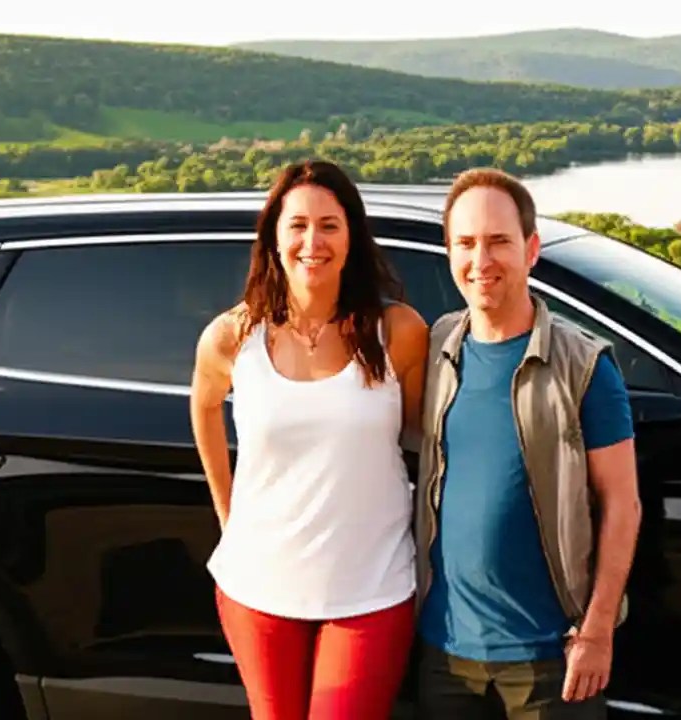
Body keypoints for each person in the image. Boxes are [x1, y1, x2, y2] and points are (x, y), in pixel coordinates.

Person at [189, 159, 429, 720]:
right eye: (297, 224)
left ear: (351, 238)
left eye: (329, 225)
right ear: (274, 236)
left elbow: (425, 436)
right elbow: (202, 406)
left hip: (372, 587)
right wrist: (228, 513)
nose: (312, 241)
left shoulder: (398, 333)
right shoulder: (233, 337)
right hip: (259, 587)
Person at [413, 168, 643, 719]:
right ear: (449, 252)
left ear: (531, 249)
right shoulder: (437, 347)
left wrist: (597, 633)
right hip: (445, 657)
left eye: (499, 242)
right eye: (465, 243)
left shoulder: (583, 366)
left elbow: (622, 505)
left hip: (550, 663)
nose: (480, 261)